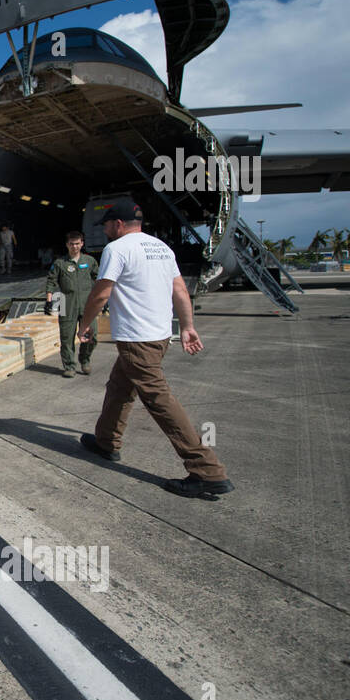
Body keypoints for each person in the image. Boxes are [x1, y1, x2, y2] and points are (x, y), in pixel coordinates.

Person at [76, 199, 235, 500]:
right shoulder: (161, 248)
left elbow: (102, 293)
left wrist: (84, 325)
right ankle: (106, 441)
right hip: (159, 336)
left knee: (159, 401)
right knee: (119, 388)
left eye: (107, 224)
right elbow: (179, 289)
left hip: (137, 340)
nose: (106, 230)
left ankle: (207, 471)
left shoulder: (117, 249)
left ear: (118, 224)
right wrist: (187, 326)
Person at [45, 231, 99, 378]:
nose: (74, 247)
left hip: (87, 303)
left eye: (77, 243)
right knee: (66, 337)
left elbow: (99, 280)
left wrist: (103, 300)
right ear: (67, 245)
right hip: (66, 303)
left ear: (82, 244)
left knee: (92, 335)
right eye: (71, 244)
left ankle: (85, 359)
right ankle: (69, 366)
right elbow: (51, 281)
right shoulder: (60, 263)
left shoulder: (89, 261)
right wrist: (49, 300)